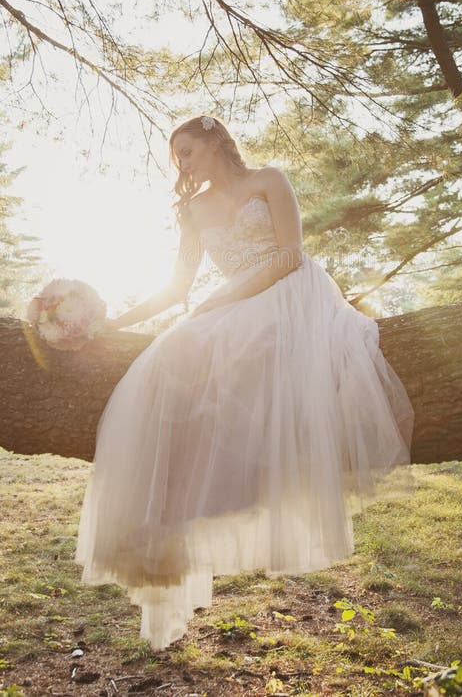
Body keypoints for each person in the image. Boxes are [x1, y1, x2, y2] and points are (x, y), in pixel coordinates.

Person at [74, 114, 415, 652]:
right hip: (233, 300)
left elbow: (290, 255)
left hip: (291, 290)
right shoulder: (191, 210)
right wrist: (112, 324)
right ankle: (177, 521)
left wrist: (224, 299)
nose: (182, 164)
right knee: (175, 355)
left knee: (244, 347)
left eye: (186, 150)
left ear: (213, 139)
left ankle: (255, 478)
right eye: (176, 157)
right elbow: (177, 287)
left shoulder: (268, 180)